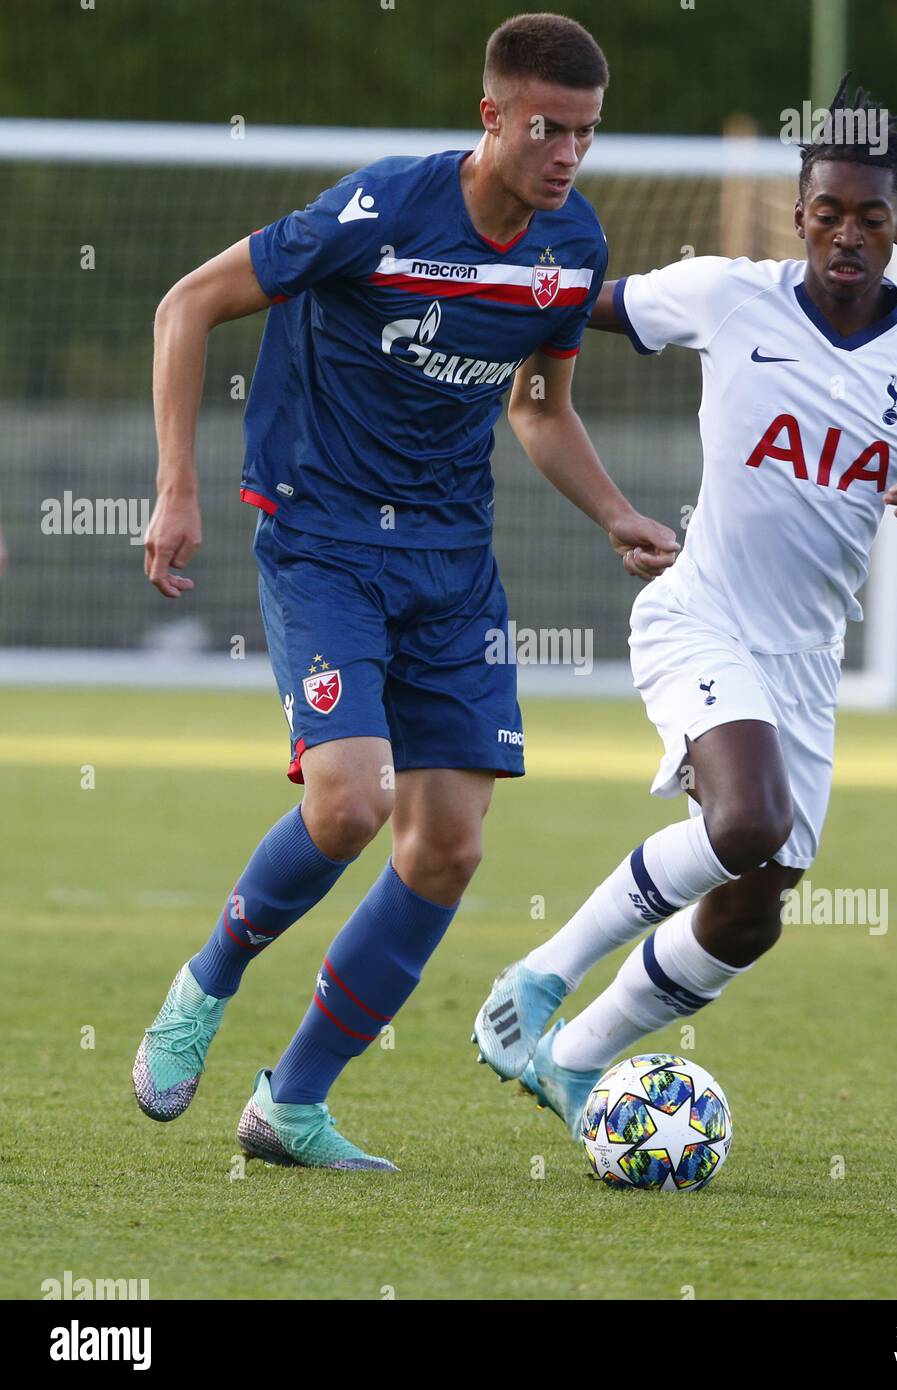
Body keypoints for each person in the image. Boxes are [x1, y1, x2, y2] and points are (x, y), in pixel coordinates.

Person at [134, 11, 677, 1171]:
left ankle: (290, 1106)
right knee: (348, 804)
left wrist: (616, 512)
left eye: (585, 132)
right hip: (322, 537)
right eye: (547, 128)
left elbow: (537, 408)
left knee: (447, 849)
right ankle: (207, 980)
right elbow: (186, 305)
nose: (568, 154)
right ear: (491, 117)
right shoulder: (378, 211)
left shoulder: (566, 244)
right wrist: (176, 489)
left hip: (451, 562)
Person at [474, 76, 897, 1141]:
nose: (845, 234)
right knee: (742, 818)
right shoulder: (723, 294)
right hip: (695, 611)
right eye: (825, 213)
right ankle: (533, 982)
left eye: (869, 217)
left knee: (753, 906)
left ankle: (572, 1061)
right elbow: (579, 303)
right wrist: (479, 298)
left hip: (805, 655)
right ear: (797, 214)